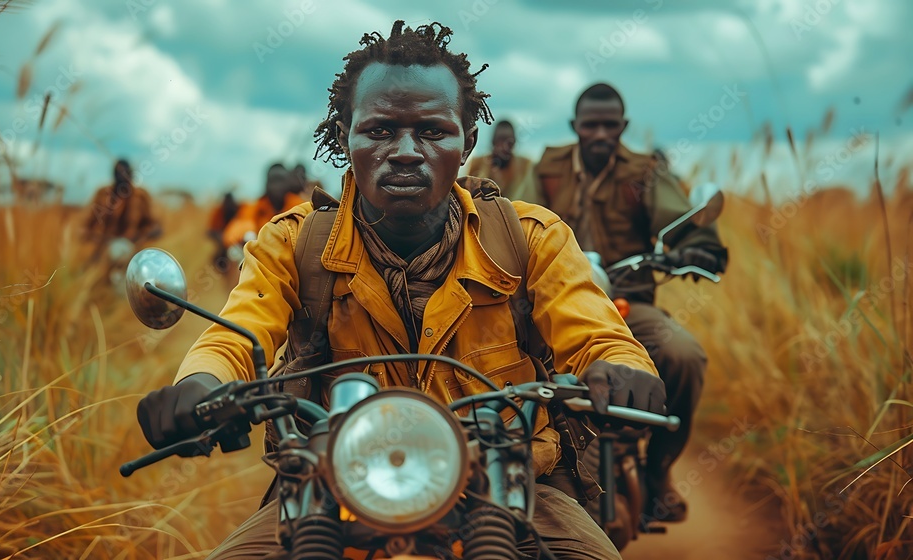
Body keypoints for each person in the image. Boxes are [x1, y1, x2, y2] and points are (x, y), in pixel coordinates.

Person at [135, 21, 667, 560]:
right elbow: (235, 335)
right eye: (381, 130)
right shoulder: (292, 243)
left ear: (468, 141)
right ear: (344, 135)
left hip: (511, 485)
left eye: (433, 131)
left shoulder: (530, 238)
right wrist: (201, 386)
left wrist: (622, 370)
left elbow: (596, 333)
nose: (406, 151)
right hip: (331, 489)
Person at [533, 82, 729, 524]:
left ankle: (658, 471)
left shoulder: (645, 172)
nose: (601, 134)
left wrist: (697, 247)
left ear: (623, 126)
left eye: (610, 125)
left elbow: (681, 221)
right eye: (591, 125)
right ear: (575, 126)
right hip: (551, 304)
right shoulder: (547, 169)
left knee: (683, 355)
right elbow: (513, 218)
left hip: (625, 302)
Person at [81, 158, 161, 265]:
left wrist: (140, 237)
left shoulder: (141, 197)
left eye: (125, 173)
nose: (121, 177)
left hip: (131, 248)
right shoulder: (103, 194)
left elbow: (154, 225)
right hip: (104, 248)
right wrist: (92, 237)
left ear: (131, 175)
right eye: (118, 173)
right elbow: (88, 222)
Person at [221, 163, 305, 249]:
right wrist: (248, 234)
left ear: (288, 184)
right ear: (266, 184)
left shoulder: (298, 205)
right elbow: (231, 236)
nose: (277, 186)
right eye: (273, 181)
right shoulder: (256, 206)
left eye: (281, 181)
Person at [465, 119, 537, 201]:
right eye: (500, 141)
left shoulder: (525, 166)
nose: (504, 147)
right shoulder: (478, 164)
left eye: (509, 142)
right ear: (493, 142)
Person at [207, 191, 241, 273]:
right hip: (222, 238)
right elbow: (211, 230)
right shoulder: (219, 211)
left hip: (235, 238)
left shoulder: (238, 209)